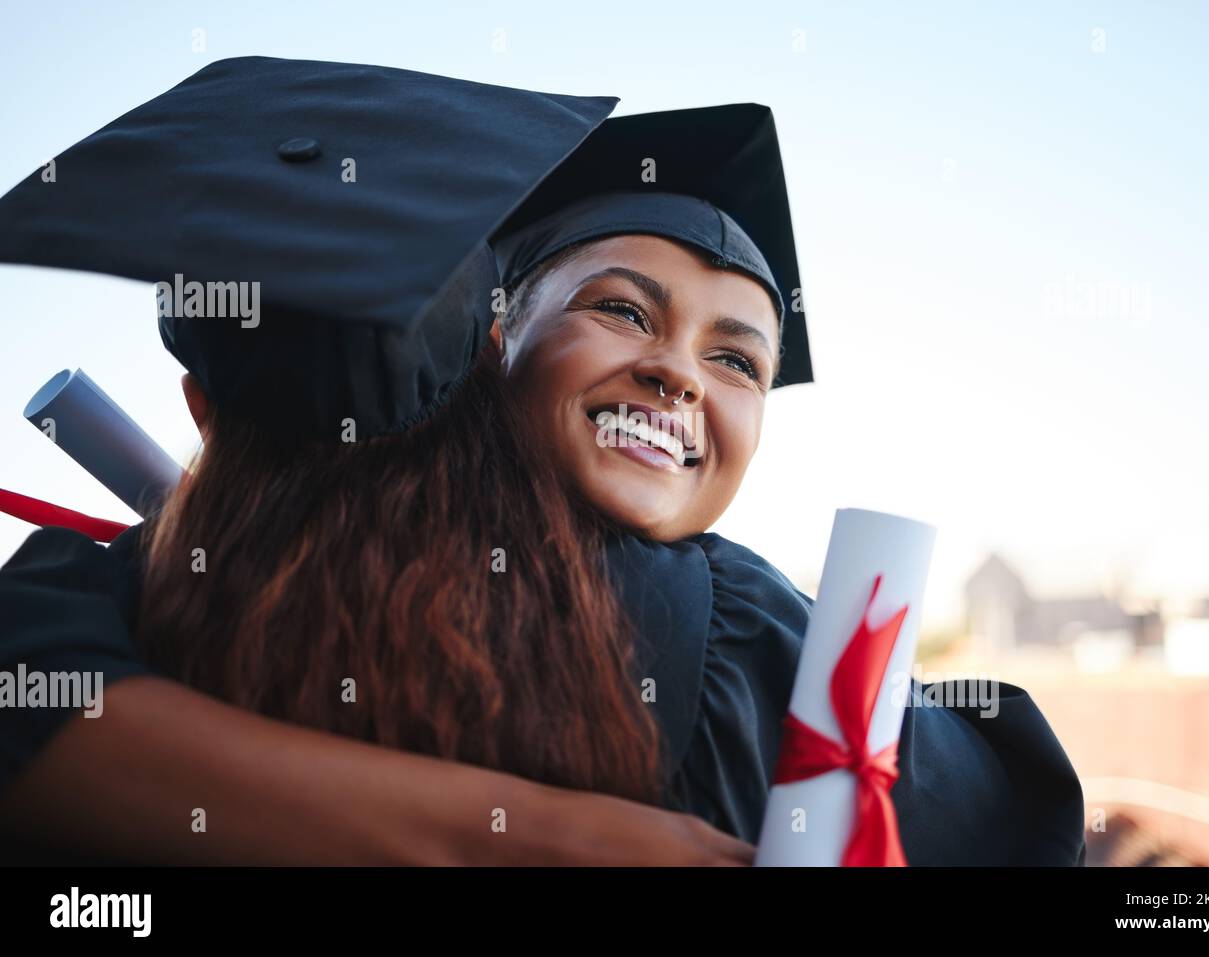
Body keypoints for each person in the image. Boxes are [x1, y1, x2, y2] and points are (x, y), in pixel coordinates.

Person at [0, 57, 1084, 865]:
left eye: (737, 361)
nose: (681, 376)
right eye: (620, 309)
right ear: (491, 343)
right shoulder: (750, 638)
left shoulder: (101, 593)